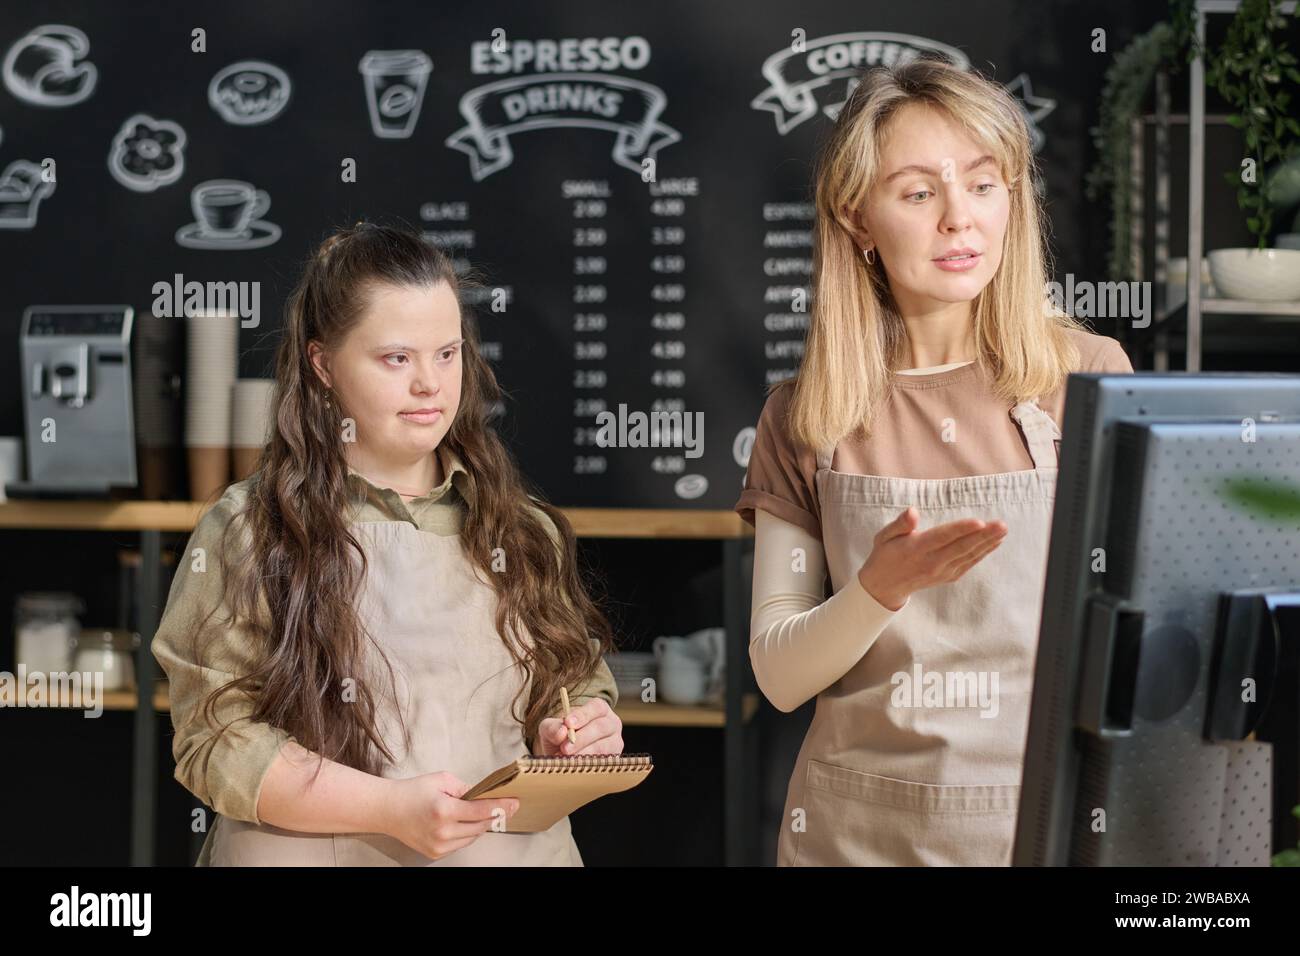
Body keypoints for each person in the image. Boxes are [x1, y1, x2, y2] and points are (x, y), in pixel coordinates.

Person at [734, 59, 1134, 866]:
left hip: (1043, 826)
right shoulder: (808, 413)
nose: (961, 219)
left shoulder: (1089, 380)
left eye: (984, 185)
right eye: (919, 193)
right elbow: (779, 675)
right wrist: (876, 589)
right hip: (858, 834)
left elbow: (1142, 631)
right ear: (857, 219)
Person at [153, 222, 623, 866]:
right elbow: (217, 739)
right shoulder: (248, 530)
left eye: (447, 354)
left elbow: (577, 690)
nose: (431, 384)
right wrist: (387, 810)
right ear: (323, 364)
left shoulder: (524, 530)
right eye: (396, 358)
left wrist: (575, 733)